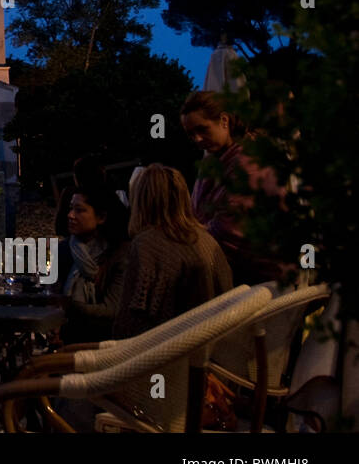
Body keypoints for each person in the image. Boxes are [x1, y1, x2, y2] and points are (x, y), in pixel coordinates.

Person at [113, 164, 233, 340]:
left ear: (141, 199)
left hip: (171, 352)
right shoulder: (205, 238)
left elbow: (130, 325)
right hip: (213, 345)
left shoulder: (148, 244)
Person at [180, 91, 286, 284]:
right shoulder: (216, 162)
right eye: (190, 134)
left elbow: (229, 232)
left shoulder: (250, 162)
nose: (197, 139)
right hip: (240, 276)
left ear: (224, 121)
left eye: (202, 129)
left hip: (263, 282)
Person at [58, 187, 130, 344]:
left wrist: (68, 305)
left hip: (106, 341)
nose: (70, 215)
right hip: (67, 336)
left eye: (79, 210)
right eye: (71, 209)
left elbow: (111, 309)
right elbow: (53, 289)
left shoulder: (119, 254)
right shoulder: (65, 249)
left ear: (101, 217)